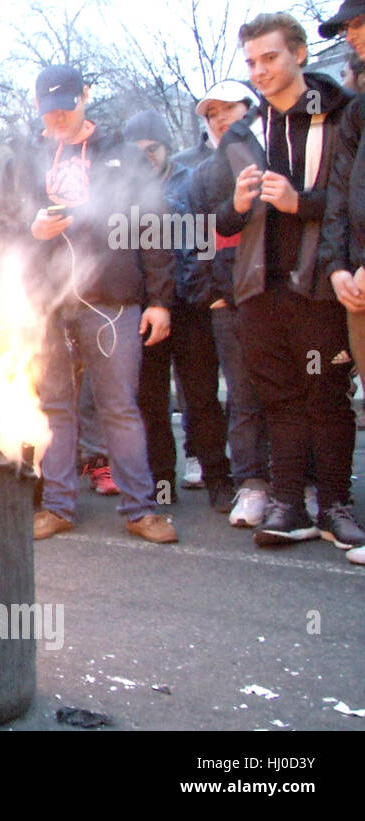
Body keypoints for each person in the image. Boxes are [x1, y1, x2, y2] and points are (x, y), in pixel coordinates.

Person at [195, 12, 364, 550]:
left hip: (320, 283)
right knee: (281, 401)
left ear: (300, 54)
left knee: (328, 397)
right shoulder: (242, 132)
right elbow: (215, 219)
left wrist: (300, 204)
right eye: (252, 62)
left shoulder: (339, 115)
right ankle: (290, 505)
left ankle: (336, 504)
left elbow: (348, 205)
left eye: (270, 58)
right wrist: (237, 206)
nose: (261, 70)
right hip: (260, 291)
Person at [0, 64, 178, 544]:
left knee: (120, 406)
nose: (58, 117)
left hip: (112, 298)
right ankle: (57, 505)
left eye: (66, 106)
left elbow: (153, 228)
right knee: (54, 406)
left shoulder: (122, 155)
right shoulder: (23, 160)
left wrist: (159, 301)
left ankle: (141, 508)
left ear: (86, 96)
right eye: (48, 109)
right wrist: (32, 230)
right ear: (37, 106)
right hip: (46, 304)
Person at [124, 110, 236, 514]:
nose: (146, 158)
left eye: (151, 149)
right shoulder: (122, 193)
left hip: (190, 306)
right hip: (144, 310)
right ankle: (163, 484)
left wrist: (204, 292)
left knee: (202, 398)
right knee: (151, 404)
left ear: (166, 146)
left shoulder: (192, 182)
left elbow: (207, 242)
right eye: (137, 152)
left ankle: (218, 479)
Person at [182, 81, 271, 529]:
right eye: (211, 112)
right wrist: (212, 296)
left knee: (292, 391)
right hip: (228, 299)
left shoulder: (275, 152)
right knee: (242, 396)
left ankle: (300, 483)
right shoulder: (200, 176)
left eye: (228, 108)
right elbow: (195, 241)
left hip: (278, 292)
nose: (219, 117)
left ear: (249, 109)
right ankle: (251, 484)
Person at [316, 0, 365, 562]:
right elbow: (338, 199)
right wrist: (336, 267)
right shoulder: (356, 112)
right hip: (354, 281)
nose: (353, 37)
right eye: (349, 27)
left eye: (360, 23)